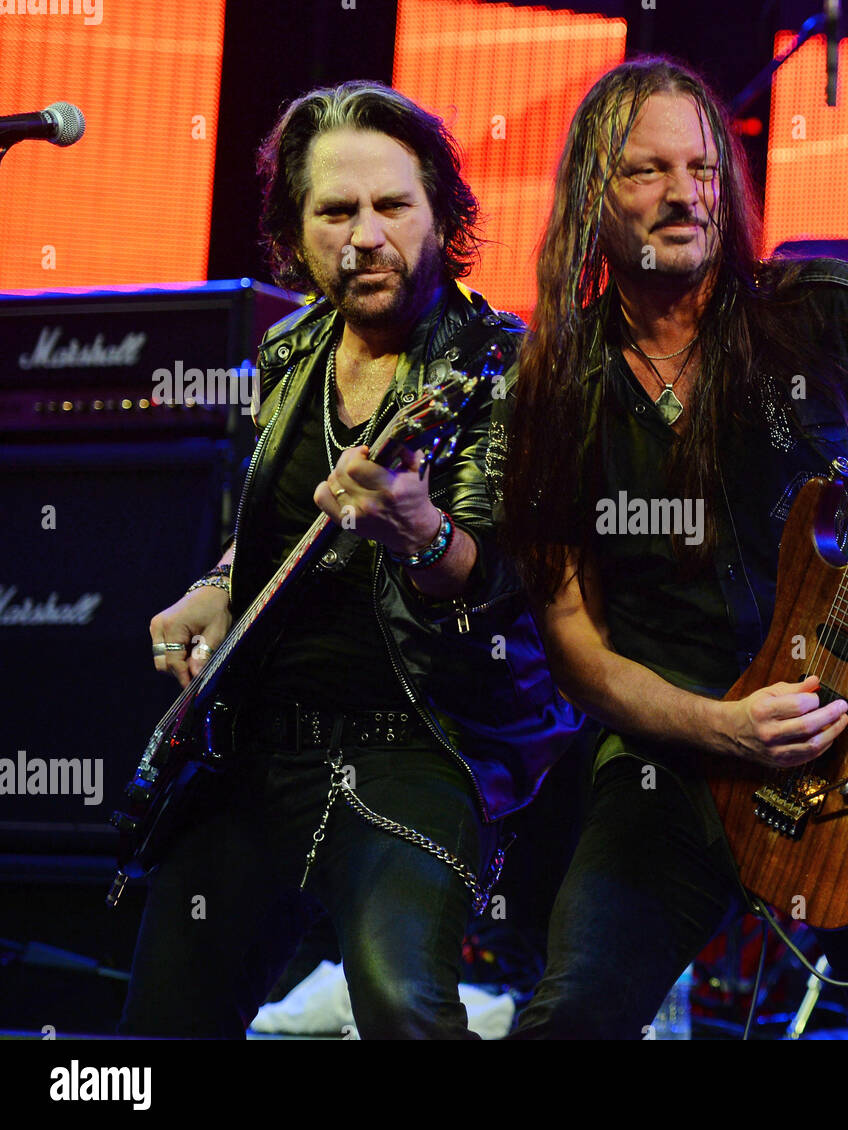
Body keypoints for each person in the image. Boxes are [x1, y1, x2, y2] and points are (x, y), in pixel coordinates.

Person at [496, 57, 848, 1039]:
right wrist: (723, 729)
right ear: (591, 192)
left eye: (704, 169)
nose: (683, 194)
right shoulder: (552, 388)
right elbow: (576, 649)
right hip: (673, 759)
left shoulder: (826, 311)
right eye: (645, 171)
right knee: (570, 1017)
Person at [120, 81, 579, 1039]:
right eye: (335, 211)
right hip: (259, 735)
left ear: (443, 216)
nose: (364, 235)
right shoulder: (291, 348)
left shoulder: (507, 366)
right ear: (296, 231)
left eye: (391, 206)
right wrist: (214, 587)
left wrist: (421, 533)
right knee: (158, 1032)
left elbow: (513, 592)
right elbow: (286, 524)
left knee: (401, 1004)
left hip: (419, 738)